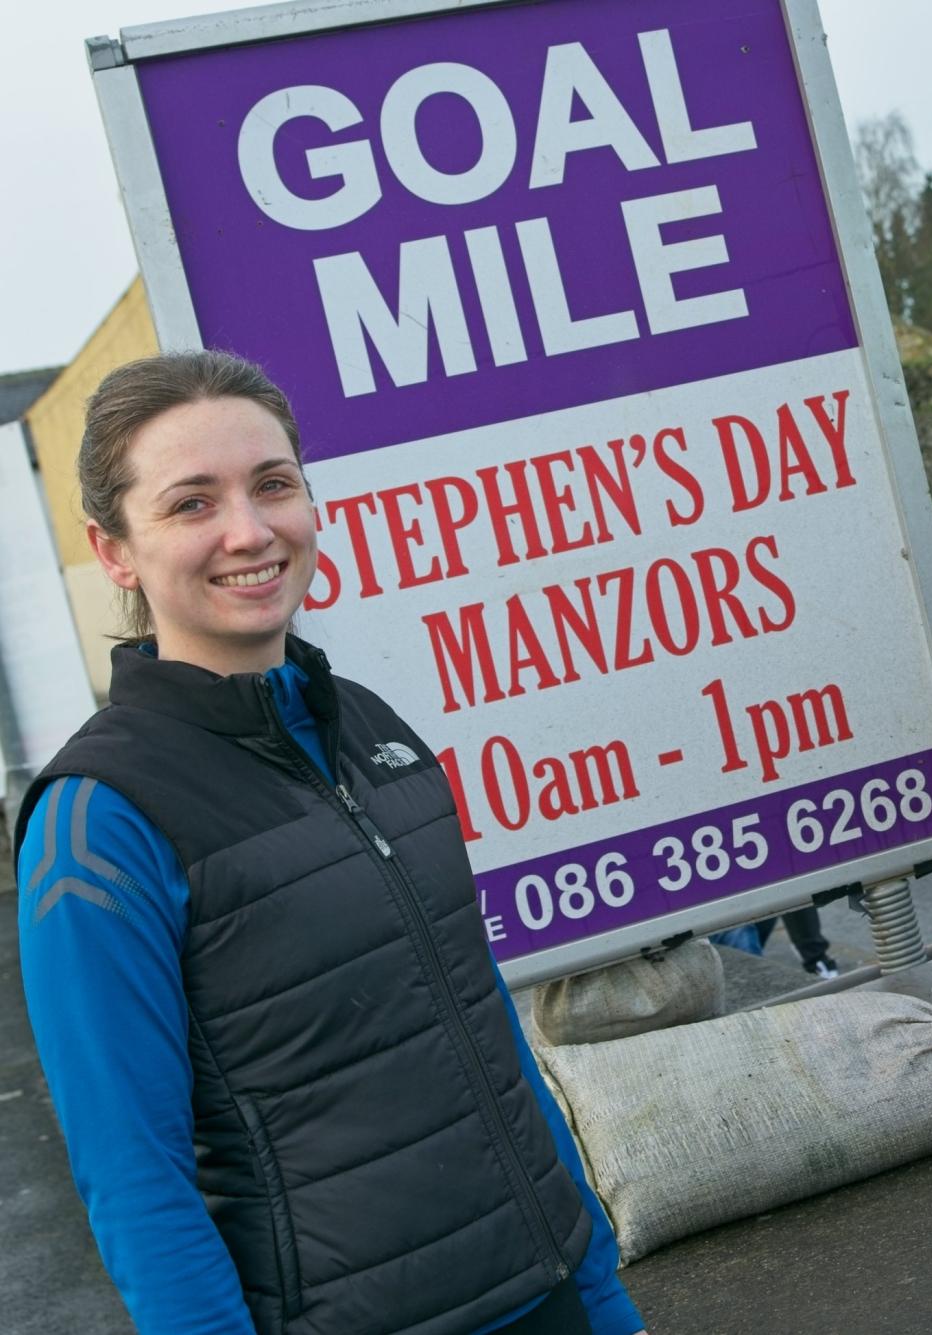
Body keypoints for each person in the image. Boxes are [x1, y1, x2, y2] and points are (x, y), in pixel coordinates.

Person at [11, 351, 645, 1335]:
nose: (249, 531)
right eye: (191, 503)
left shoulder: (373, 729)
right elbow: (137, 1189)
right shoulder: (96, 821)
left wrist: (602, 1295)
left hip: (546, 1295)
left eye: (273, 485)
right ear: (115, 551)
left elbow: (494, 1043)